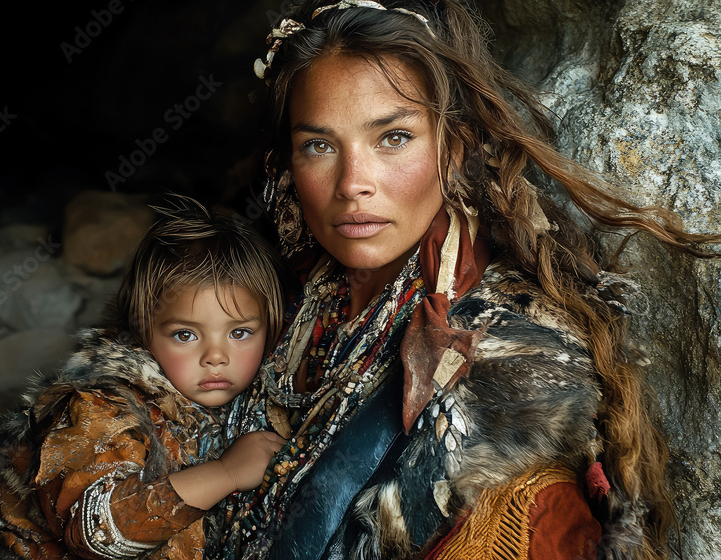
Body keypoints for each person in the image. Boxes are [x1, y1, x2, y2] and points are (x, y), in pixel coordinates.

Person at [208, 1, 721, 560]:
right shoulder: (266, 298)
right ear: (288, 162)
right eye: (319, 145)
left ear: (451, 147)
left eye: (393, 138)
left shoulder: (509, 383)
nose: (353, 183)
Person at [0, 197, 286, 560]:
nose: (216, 357)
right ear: (142, 333)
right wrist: (226, 473)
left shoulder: (250, 401)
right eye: (185, 335)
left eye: (239, 333)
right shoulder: (102, 409)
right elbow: (95, 533)